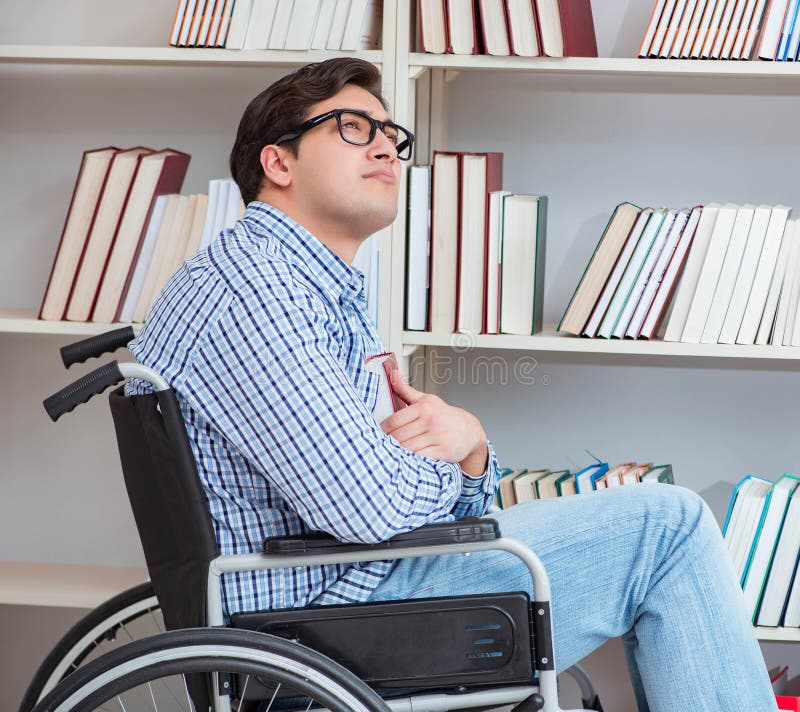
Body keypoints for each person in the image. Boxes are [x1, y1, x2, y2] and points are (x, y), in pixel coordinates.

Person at [128, 57, 777, 711]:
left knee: (660, 520)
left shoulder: (304, 288)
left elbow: (398, 488)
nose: (387, 145)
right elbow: (372, 508)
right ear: (279, 163)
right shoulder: (256, 290)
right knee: (668, 525)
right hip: (332, 620)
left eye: (391, 134)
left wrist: (465, 452)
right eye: (353, 127)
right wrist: (460, 452)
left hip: (352, 591)